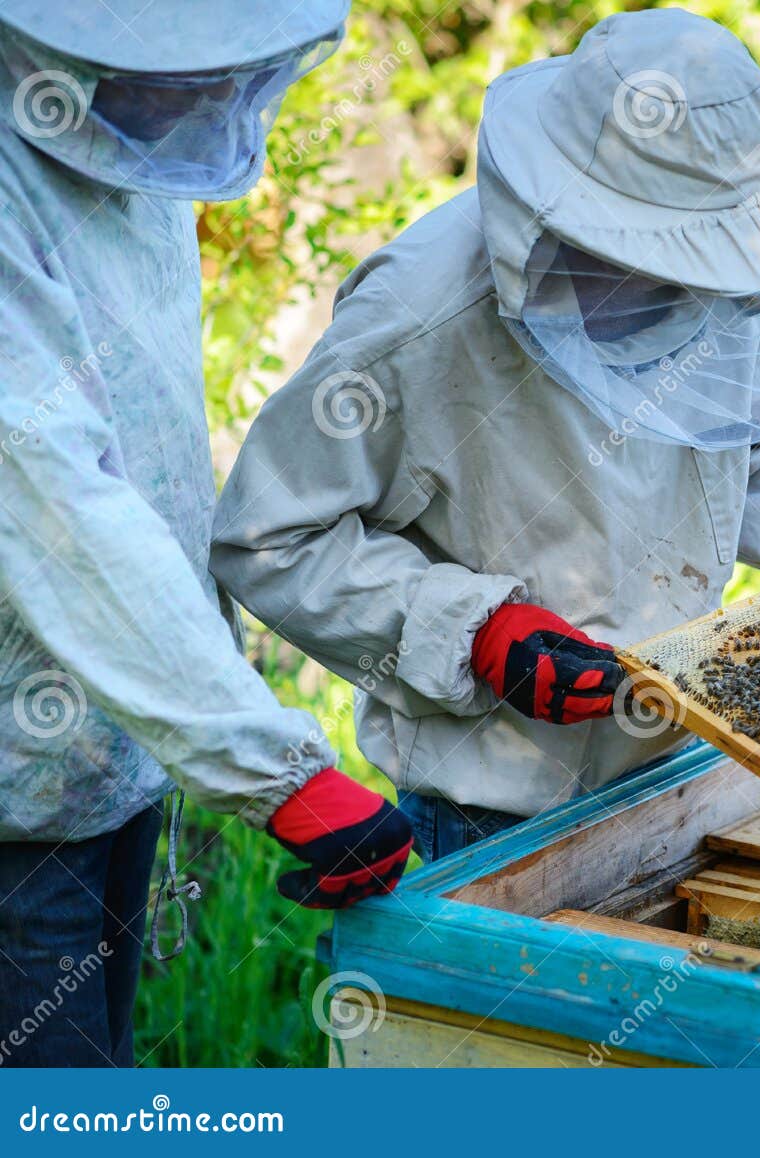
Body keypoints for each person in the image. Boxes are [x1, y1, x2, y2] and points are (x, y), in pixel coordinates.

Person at [210, 9, 760, 863]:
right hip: (494, 805)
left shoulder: (734, 268)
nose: (701, 294)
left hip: (677, 765)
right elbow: (269, 536)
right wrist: (474, 630)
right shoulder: (417, 321)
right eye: (669, 268)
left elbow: (750, 464)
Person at [0, 1, 411, 1067]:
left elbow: (141, 446)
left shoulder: (118, 148)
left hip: (113, 738)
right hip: (10, 789)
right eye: (179, 71)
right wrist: (276, 771)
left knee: (99, 1069)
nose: (207, 98)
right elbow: (52, 495)